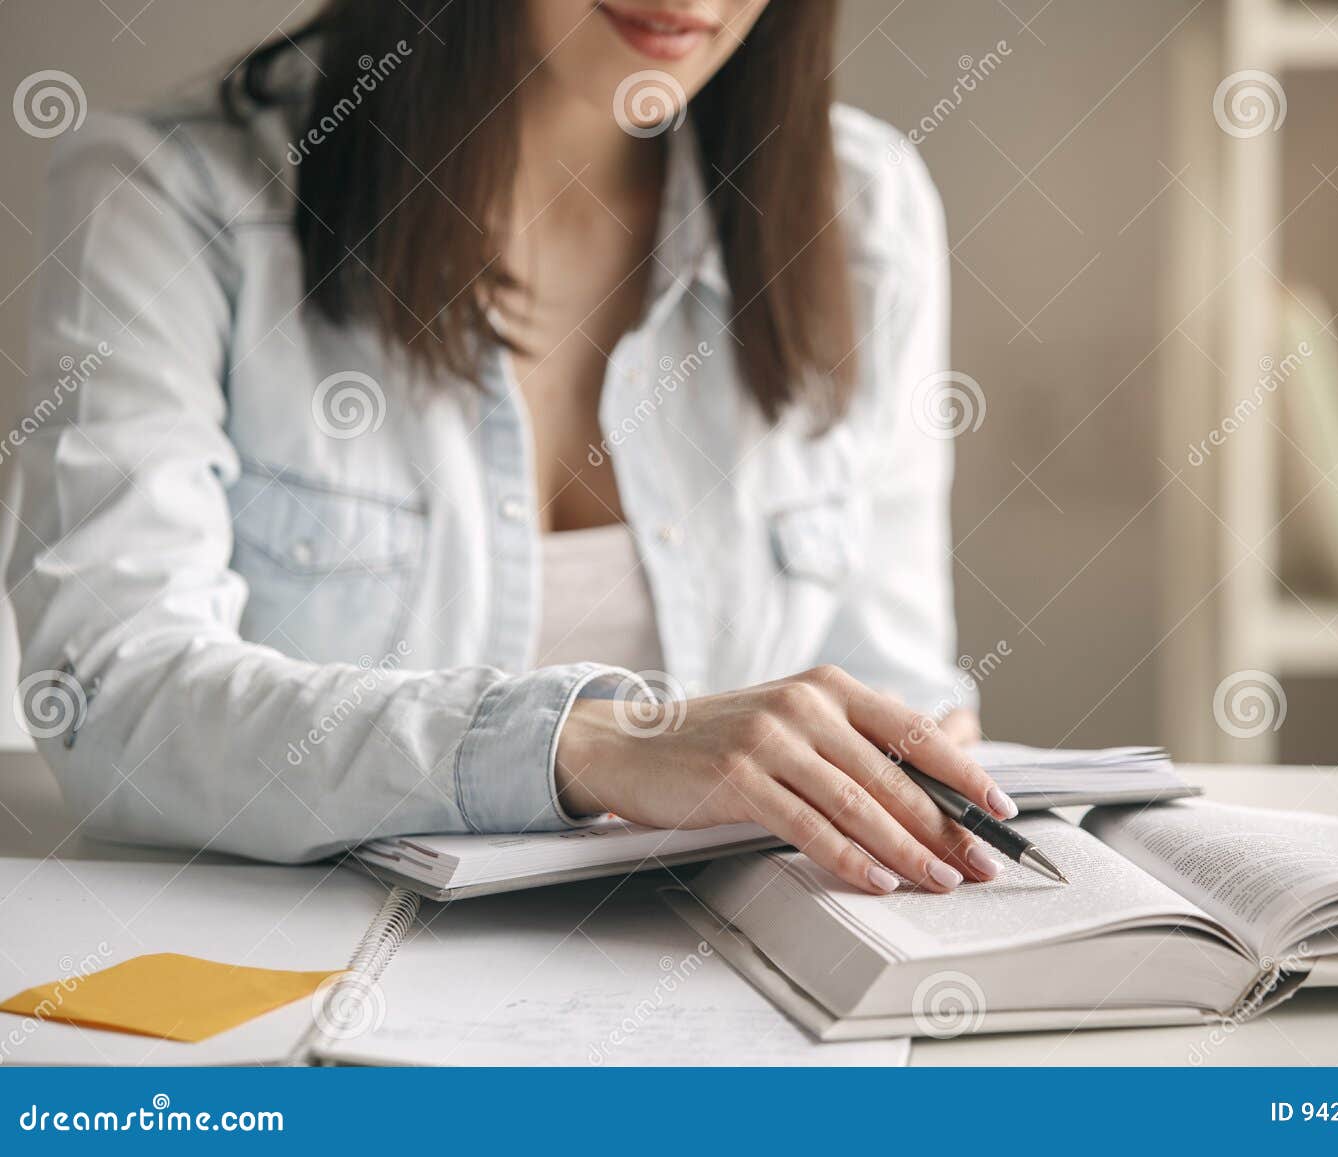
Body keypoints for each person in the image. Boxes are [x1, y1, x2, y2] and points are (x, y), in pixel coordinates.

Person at [6, 0, 1014, 895]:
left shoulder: (865, 207)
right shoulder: (171, 197)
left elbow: (893, 681)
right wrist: (579, 743)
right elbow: (114, 701)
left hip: (726, 1001)